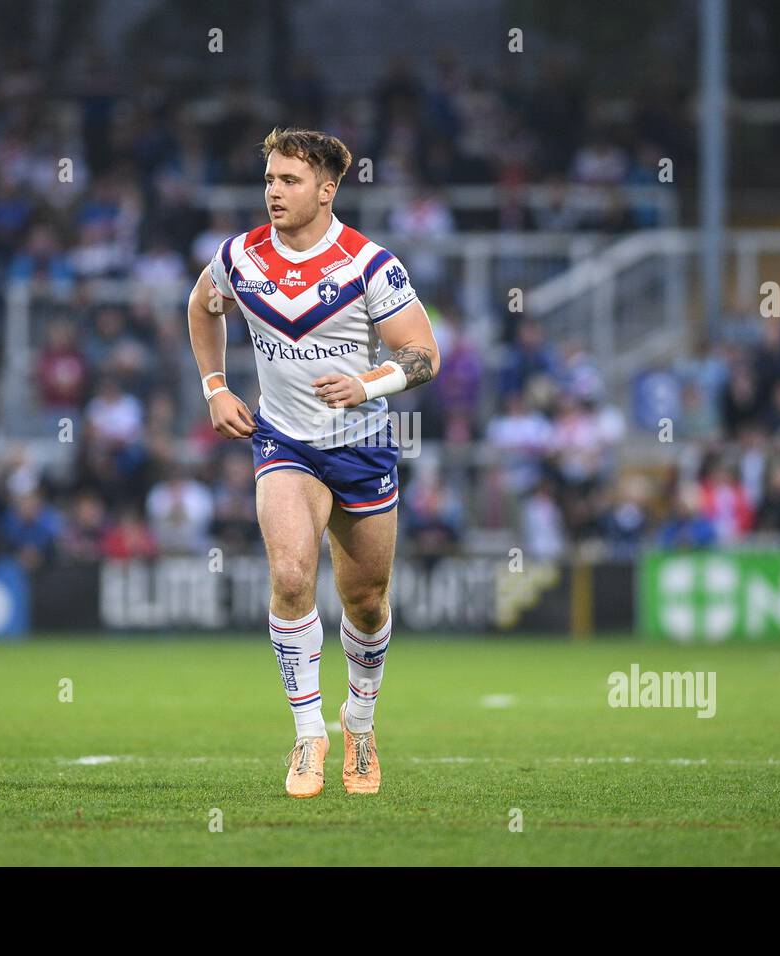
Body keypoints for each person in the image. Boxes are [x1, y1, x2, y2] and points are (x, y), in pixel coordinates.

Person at [184, 128, 441, 798]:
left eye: (289, 180)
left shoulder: (369, 264)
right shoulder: (239, 257)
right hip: (284, 442)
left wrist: (369, 384)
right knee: (293, 576)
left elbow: (423, 355)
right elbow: (201, 306)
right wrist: (214, 387)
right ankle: (307, 736)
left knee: (365, 598)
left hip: (361, 446)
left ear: (326, 190)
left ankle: (359, 722)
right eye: (269, 178)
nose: (273, 190)